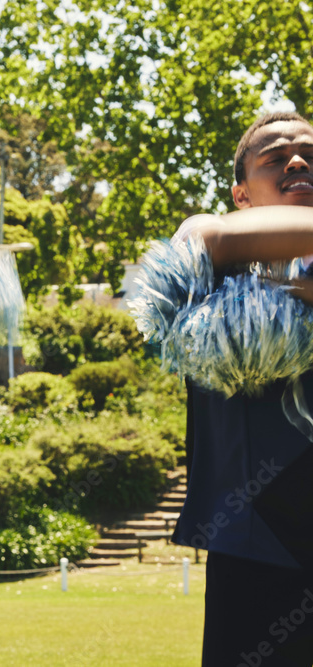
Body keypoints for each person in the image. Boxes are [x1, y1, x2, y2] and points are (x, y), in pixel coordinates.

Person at [172, 111, 313, 666]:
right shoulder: (214, 258)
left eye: (309, 155)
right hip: (261, 555)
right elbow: (201, 239)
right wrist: (296, 286)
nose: (298, 161)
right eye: (276, 157)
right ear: (241, 193)